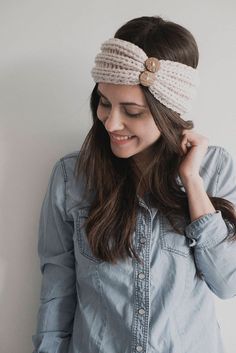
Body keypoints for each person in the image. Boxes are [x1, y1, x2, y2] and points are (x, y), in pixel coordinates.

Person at [32, 15, 236, 353]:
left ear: (168, 111)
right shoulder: (72, 176)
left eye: (132, 111)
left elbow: (228, 282)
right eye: (104, 102)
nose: (111, 123)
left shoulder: (214, 168)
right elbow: (57, 291)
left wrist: (192, 182)